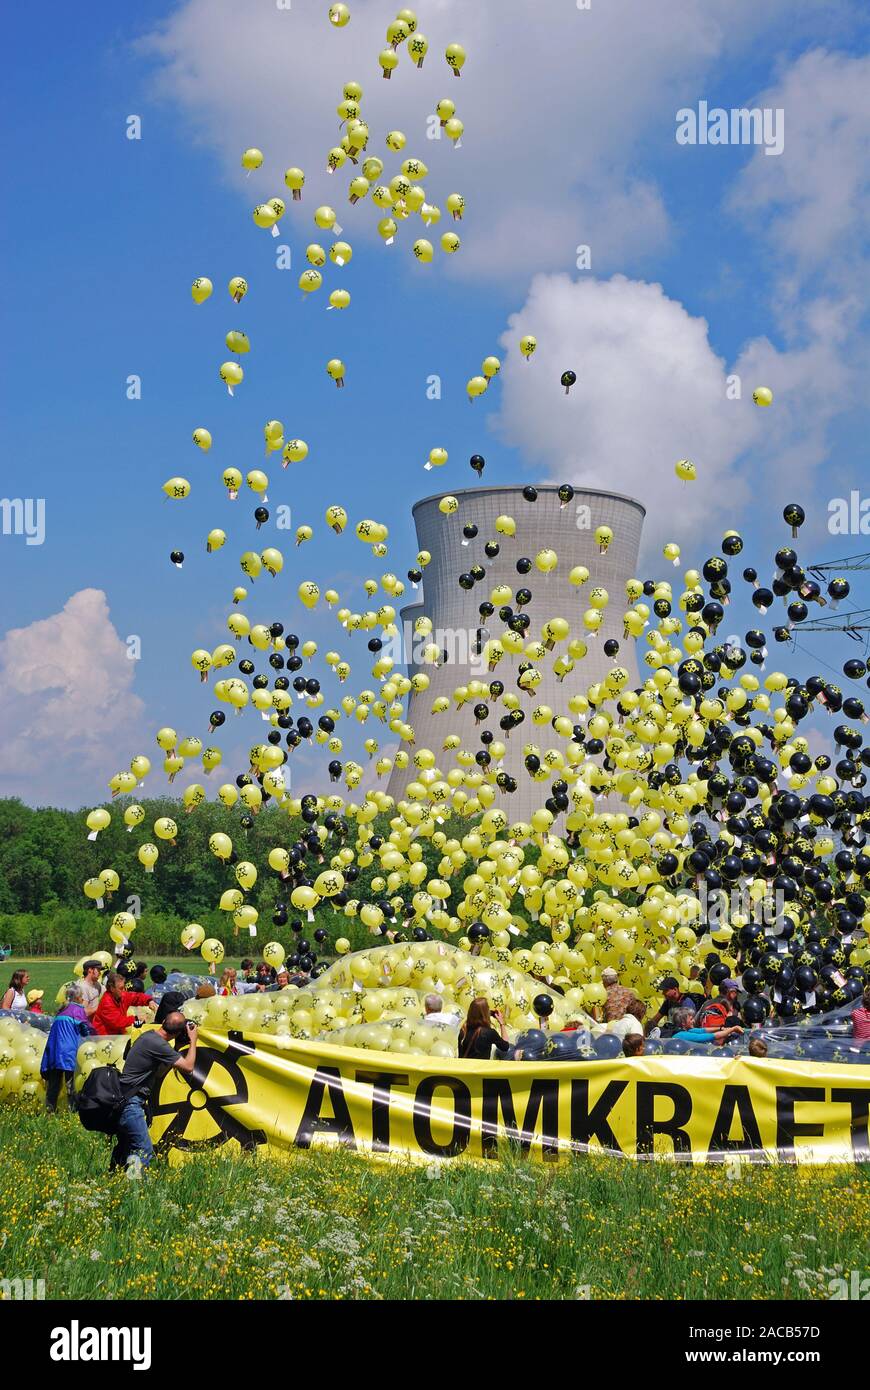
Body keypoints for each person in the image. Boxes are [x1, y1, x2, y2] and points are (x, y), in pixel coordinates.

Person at [110, 1013, 199, 1172]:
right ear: (177, 1033)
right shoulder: (157, 1044)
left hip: (124, 1100)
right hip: (131, 1104)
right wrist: (193, 1040)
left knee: (126, 1148)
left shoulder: (149, 1037)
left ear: (163, 1021)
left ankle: (114, 1178)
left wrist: (176, 1047)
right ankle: (136, 1189)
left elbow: (158, 1073)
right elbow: (188, 1066)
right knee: (144, 1150)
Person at [41, 984, 94, 1112]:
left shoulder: (61, 1010)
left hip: (54, 1050)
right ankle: (72, 1110)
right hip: (68, 1051)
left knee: (54, 1083)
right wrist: (94, 1038)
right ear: (77, 997)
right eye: (81, 996)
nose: (82, 999)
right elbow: (86, 1029)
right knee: (71, 1083)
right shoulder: (78, 1010)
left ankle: (50, 1111)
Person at [91, 971, 154, 1036]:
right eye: (121, 988)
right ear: (112, 989)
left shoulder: (121, 994)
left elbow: (135, 997)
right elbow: (118, 1022)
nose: (124, 990)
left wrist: (149, 1001)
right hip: (104, 1037)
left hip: (116, 1034)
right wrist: (136, 1018)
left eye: (123, 987)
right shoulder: (106, 1003)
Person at [670, 1007, 743, 1046]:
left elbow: (703, 1030)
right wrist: (733, 1029)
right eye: (691, 1019)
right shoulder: (682, 1035)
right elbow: (712, 1036)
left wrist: (721, 1028)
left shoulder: (686, 1030)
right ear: (683, 1023)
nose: (694, 1021)